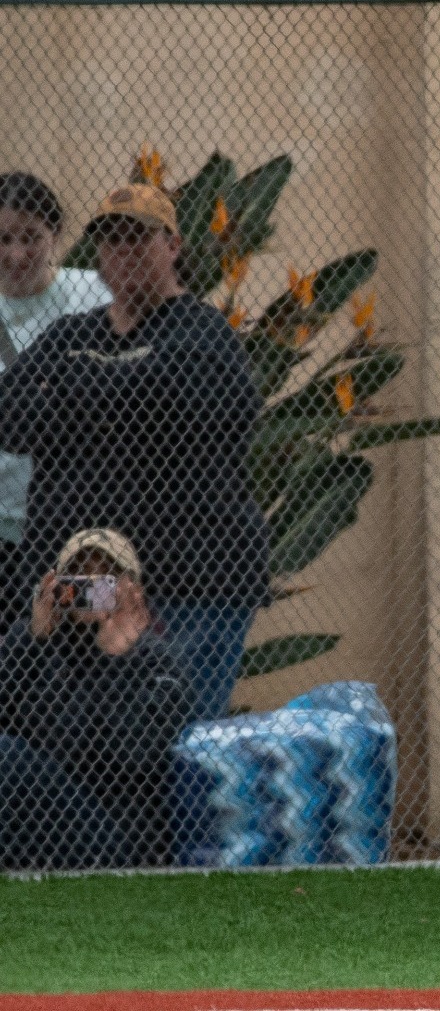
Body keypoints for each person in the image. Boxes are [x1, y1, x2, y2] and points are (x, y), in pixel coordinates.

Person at [0, 183, 269, 722]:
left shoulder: (204, 333)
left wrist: (74, 389)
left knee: (176, 749)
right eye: (110, 240)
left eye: (137, 238)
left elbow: (176, 400)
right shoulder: (70, 332)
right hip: (91, 588)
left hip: (189, 584)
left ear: (171, 245)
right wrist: (120, 393)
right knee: (96, 748)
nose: (122, 252)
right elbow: (10, 415)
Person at [0, 528, 189, 868]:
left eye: (106, 578)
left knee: (5, 756)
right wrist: (31, 639)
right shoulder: (49, 651)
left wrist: (115, 658)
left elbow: (131, 752)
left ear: (132, 590)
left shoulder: (158, 659)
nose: (90, 587)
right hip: (42, 818)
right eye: (79, 576)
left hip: (116, 833)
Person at [0, 173, 113, 621]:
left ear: (56, 234)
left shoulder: (94, 294)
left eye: (31, 237)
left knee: (89, 650)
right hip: (5, 529)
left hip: (84, 532)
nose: (16, 254)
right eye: (3, 238)